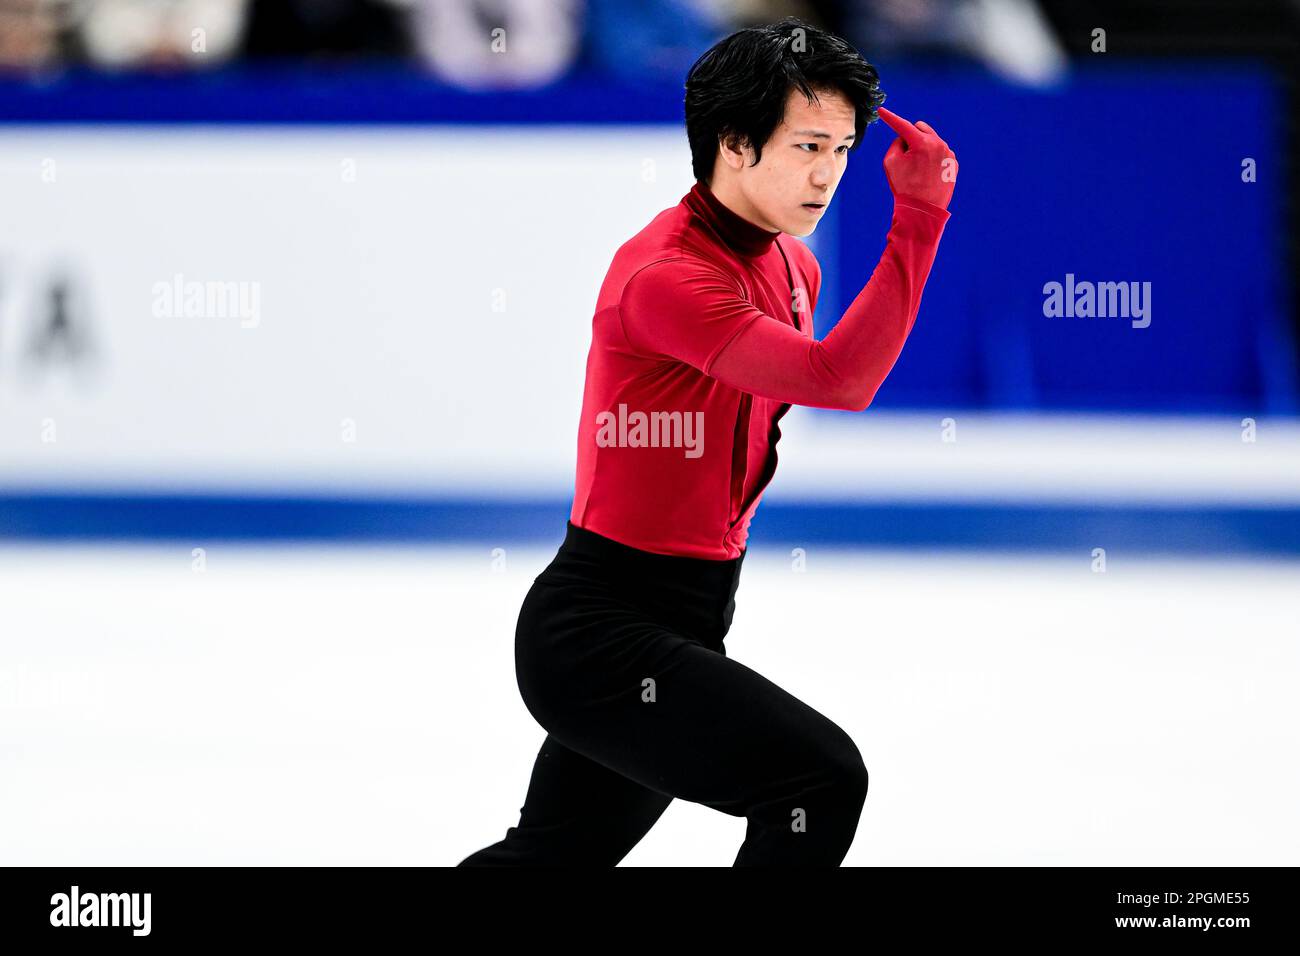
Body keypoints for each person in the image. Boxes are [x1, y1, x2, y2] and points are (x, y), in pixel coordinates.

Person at [458, 16, 956, 866]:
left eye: (842, 149)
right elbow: (841, 379)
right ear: (733, 142)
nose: (829, 174)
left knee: (550, 860)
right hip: (599, 636)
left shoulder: (794, 267)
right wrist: (918, 216)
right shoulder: (668, 277)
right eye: (808, 147)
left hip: (687, 621)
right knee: (817, 781)